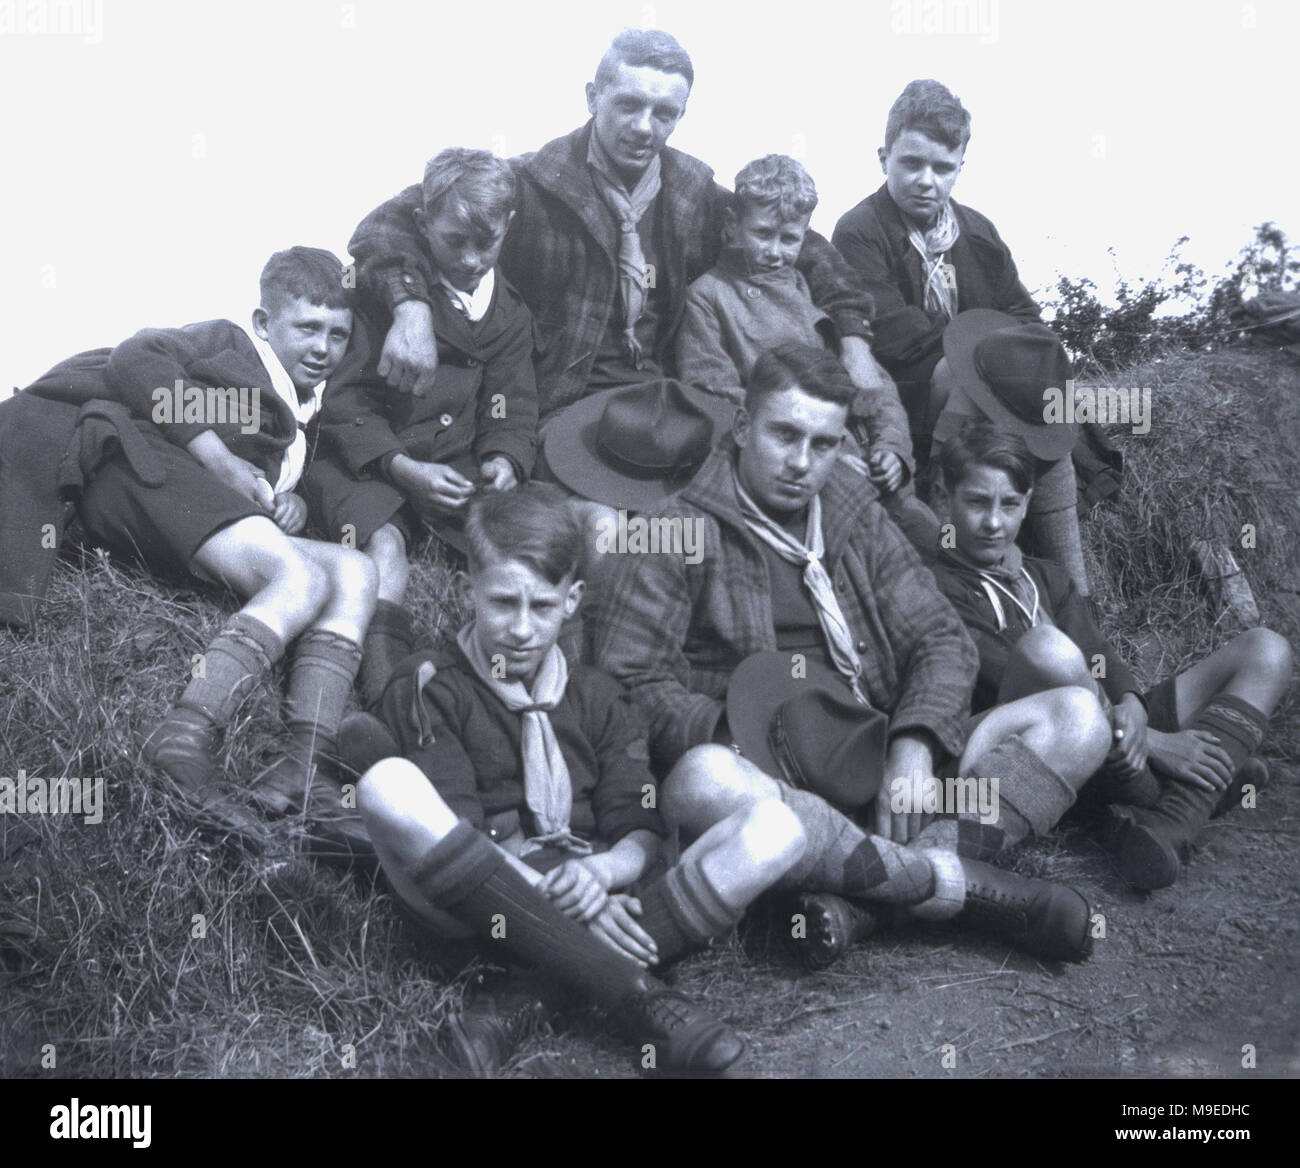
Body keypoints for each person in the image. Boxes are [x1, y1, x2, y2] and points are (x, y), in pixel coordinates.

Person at [595, 343, 1110, 967]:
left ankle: (865, 897)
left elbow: (940, 637)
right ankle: (955, 887)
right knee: (705, 779)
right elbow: (626, 685)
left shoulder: (853, 513)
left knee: (1077, 718)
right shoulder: (669, 533)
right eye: (784, 435)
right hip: (773, 787)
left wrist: (914, 746)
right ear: (740, 426)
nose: (801, 462)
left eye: (824, 444)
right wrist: (736, 729)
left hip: (886, 770)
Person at [345, 483, 811, 1076]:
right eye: (502, 603)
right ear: (468, 592)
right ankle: (637, 995)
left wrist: (600, 872)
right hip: (485, 899)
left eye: (541, 606)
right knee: (387, 784)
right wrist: (575, 907)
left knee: (779, 828)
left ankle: (525, 998)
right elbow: (464, 829)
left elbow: (637, 824)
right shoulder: (431, 682)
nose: (520, 628)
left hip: (599, 889)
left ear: (573, 601)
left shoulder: (598, 695)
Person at [348, 28, 891, 424]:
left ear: (681, 115)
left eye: (664, 113)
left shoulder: (693, 195)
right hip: (553, 398)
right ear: (592, 97)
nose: (643, 127)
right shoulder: (532, 182)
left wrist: (855, 343)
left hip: (666, 397)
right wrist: (410, 306)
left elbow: (813, 252)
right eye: (628, 104)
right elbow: (387, 225)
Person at [32, 247, 378, 838]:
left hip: (189, 502)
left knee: (354, 571)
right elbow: (136, 356)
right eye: (308, 328)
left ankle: (305, 761)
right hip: (141, 469)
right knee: (299, 578)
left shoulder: (302, 409)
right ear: (265, 324)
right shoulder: (231, 345)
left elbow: (259, 475)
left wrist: (284, 498)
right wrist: (215, 455)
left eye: (338, 334)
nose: (323, 347)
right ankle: (184, 736)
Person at [932, 422, 1293, 890]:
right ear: (945, 499)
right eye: (977, 502)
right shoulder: (935, 586)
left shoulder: (1047, 575)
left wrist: (1134, 706)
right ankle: (1195, 790)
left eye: (1010, 504)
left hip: (1109, 728)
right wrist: (1158, 745)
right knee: (1046, 647)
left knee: (1267, 649)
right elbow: (1007, 670)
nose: (994, 522)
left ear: (1028, 503)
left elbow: (1098, 654)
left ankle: (1170, 819)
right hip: (1045, 739)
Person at [832, 80, 1089, 593]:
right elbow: (894, 334)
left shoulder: (977, 232)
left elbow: (1023, 314)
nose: (926, 181)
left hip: (981, 382)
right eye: (911, 163)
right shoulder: (860, 230)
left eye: (942, 168)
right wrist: (984, 356)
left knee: (1044, 396)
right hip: (906, 391)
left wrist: (1007, 361)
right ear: (883, 158)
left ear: (960, 168)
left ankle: (1076, 585)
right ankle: (944, 531)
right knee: (961, 376)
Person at [304, 149, 539, 705]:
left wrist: (503, 458)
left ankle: (505, 688)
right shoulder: (385, 299)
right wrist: (401, 467)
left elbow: (511, 401)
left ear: (509, 229)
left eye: (488, 243)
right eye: (455, 241)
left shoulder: (510, 314)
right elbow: (346, 399)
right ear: (423, 223)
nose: (473, 259)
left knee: (516, 541)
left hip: (453, 470)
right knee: (384, 543)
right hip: (370, 465)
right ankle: (383, 685)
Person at [675, 153, 936, 556]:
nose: (775, 251)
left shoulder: (809, 288)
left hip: (868, 463)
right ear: (731, 226)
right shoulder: (708, 298)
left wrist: (893, 450)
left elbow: (874, 383)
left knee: (932, 539)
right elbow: (714, 392)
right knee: (870, 550)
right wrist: (823, 452)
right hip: (791, 465)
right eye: (763, 234)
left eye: (790, 238)